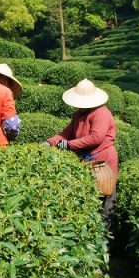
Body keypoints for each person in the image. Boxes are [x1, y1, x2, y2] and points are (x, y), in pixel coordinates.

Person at [45, 79, 119, 225]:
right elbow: (66, 133)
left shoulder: (101, 112)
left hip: (103, 161)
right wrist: (49, 142)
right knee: (89, 200)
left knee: (105, 202)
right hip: (88, 162)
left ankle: (105, 241)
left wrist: (69, 145)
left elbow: (95, 137)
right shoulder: (78, 115)